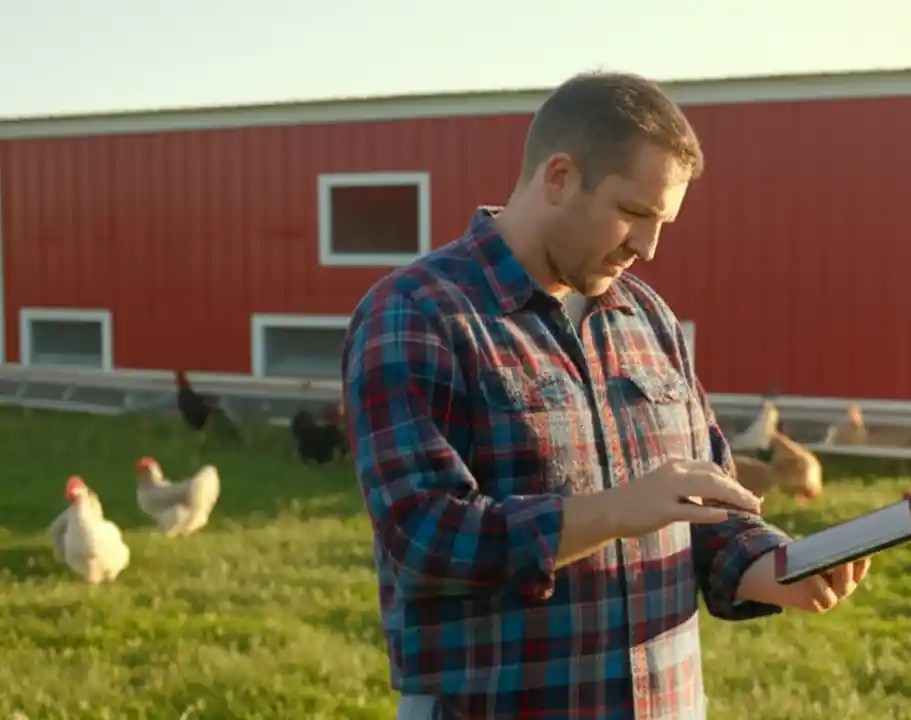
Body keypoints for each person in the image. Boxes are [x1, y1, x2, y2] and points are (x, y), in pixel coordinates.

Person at [341, 70, 872, 720]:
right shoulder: (416, 313)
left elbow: (707, 504)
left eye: (663, 221)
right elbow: (423, 536)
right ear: (559, 177)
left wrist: (775, 567)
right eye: (634, 213)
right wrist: (619, 510)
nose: (648, 247)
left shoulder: (648, 318)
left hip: (669, 702)